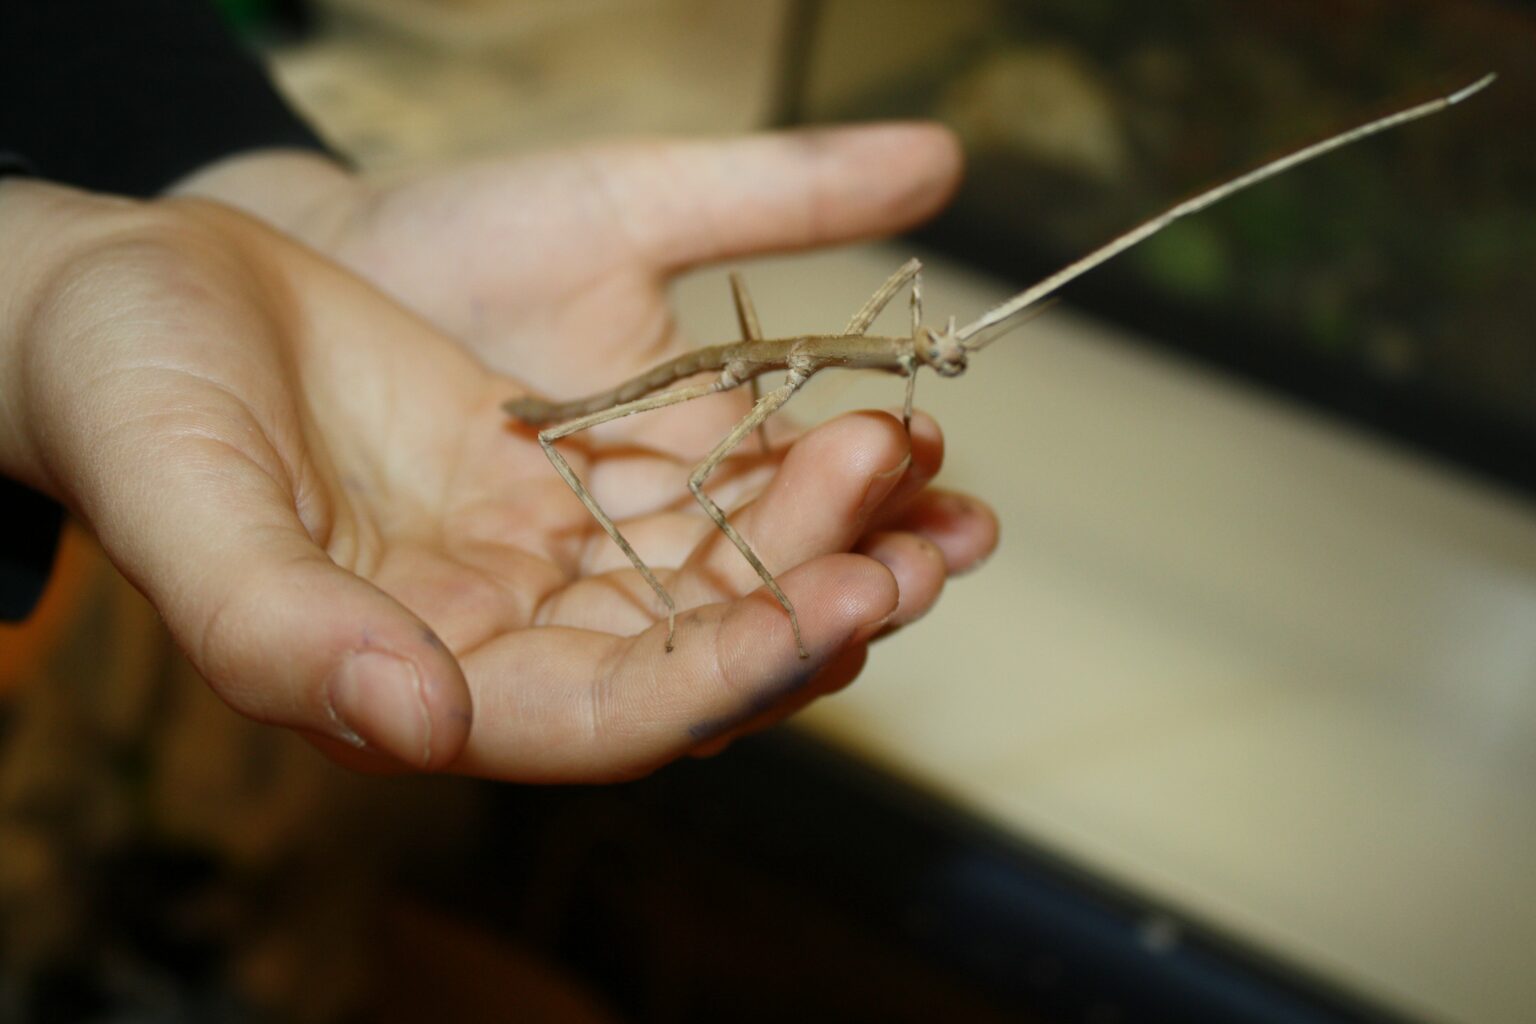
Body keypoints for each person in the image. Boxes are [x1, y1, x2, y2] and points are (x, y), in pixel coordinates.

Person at [0, 1, 997, 781]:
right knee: (702, 481)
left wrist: (263, 199)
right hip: (568, 420)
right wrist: (32, 281)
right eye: (929, 353)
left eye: (931, 357)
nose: (930, 356)